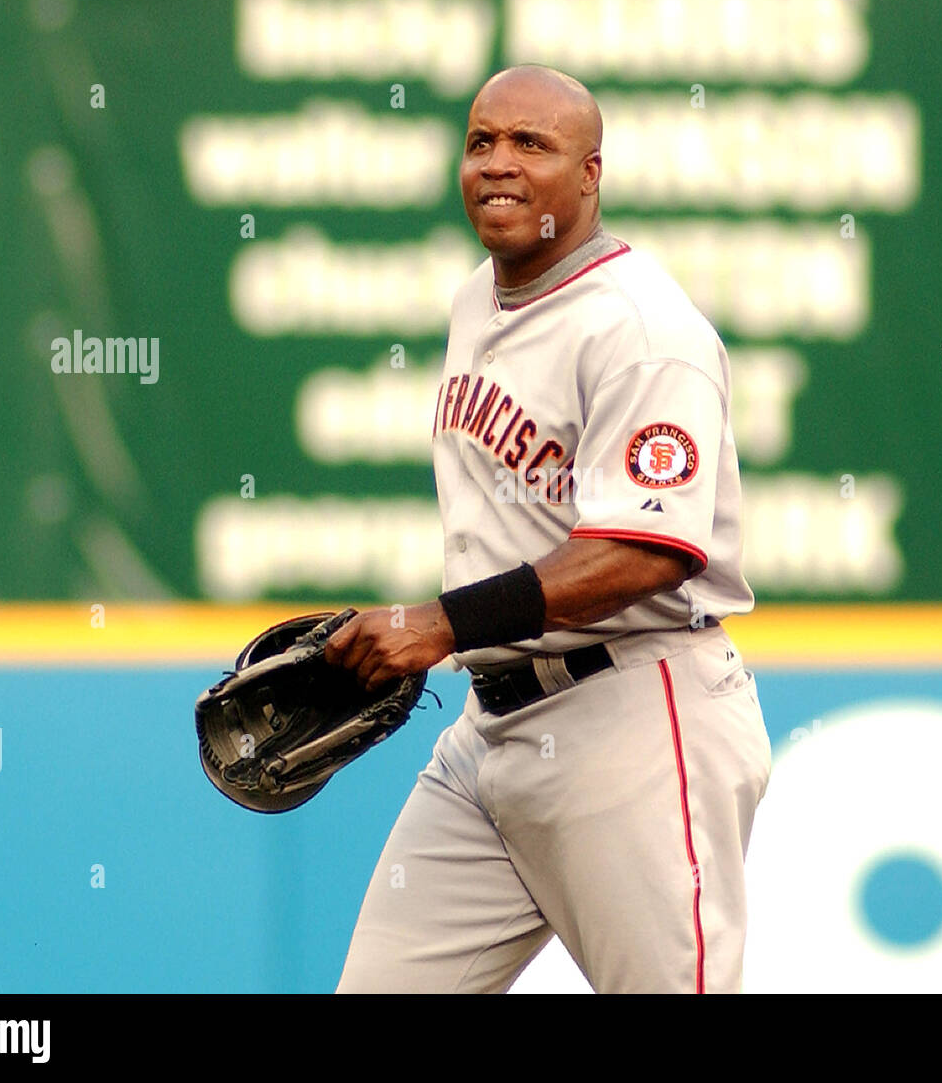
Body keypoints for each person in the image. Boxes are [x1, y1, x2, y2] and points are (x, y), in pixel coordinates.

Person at [325, 64, 771, 993]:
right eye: (482, 139)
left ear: (591, 174)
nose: (500, 163)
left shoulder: (644, 329)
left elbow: (642, 552)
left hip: (633, 720)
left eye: (534, 144)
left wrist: (438, 624)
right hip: (490, 734)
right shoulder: (472, 302)